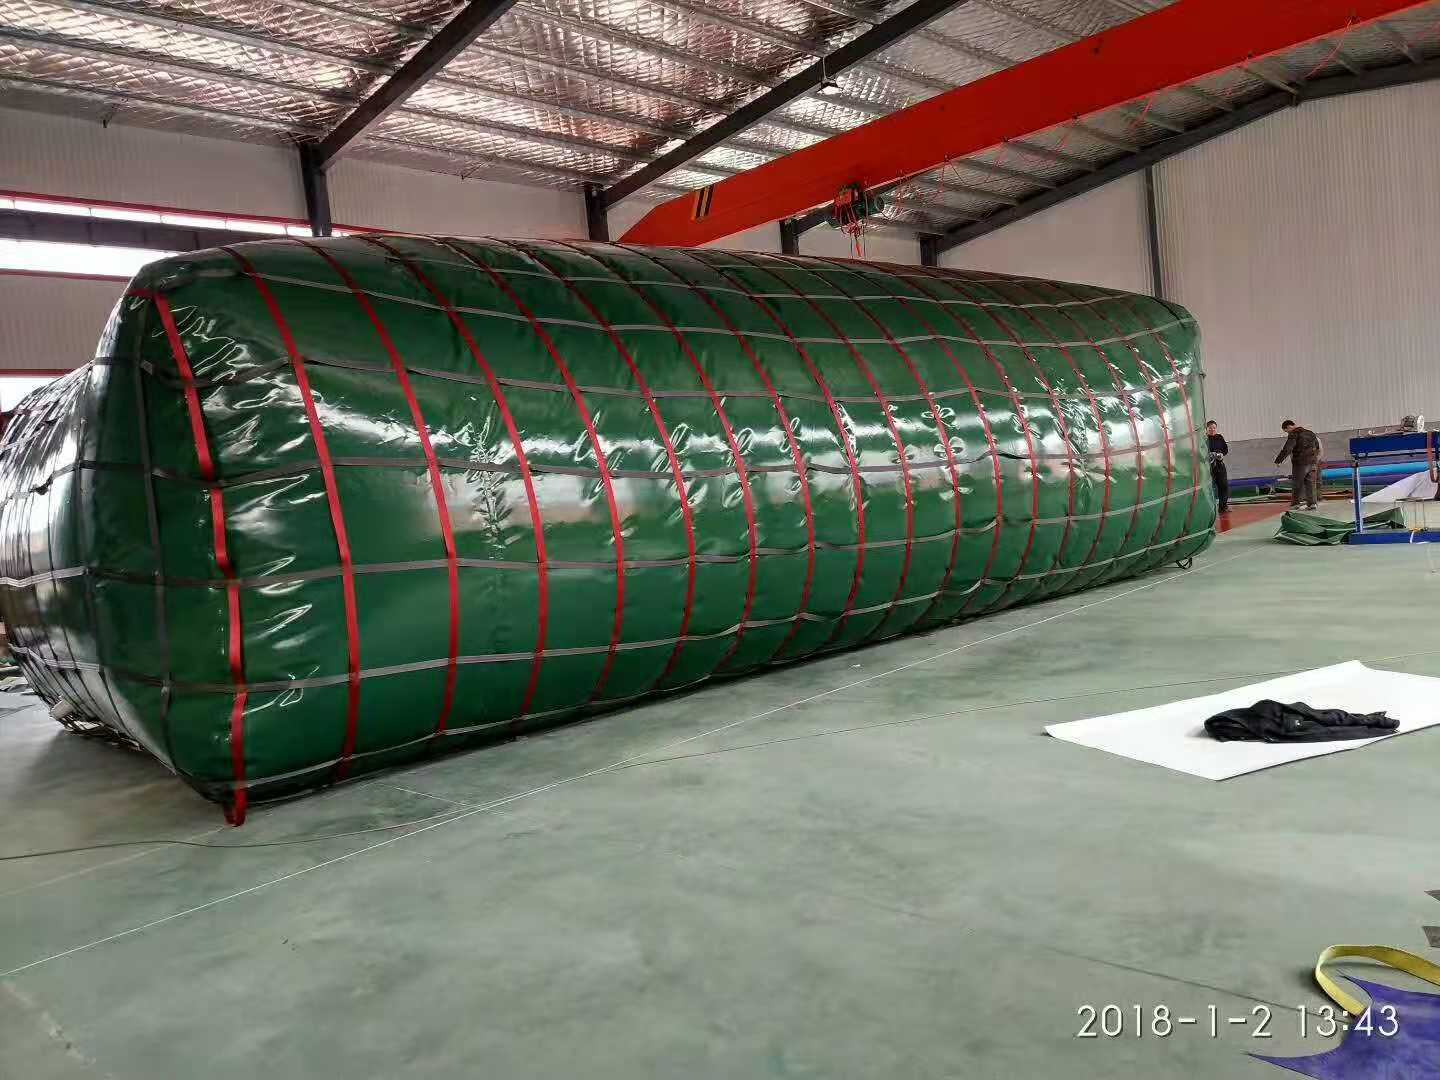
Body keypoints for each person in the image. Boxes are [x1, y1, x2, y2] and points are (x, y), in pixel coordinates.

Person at [1274, 419, 1323, 511]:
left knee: (1297, 483)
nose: (1287, 433)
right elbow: (1317, 447)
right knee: (1311, 484)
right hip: (1312, 462)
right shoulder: (1310, 433)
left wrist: (1279, 460)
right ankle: (1312, 504)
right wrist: (1314, 459)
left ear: (1289, 427)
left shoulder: (1294, 434)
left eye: (1286, 431)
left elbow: (1287, 448)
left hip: (1300, 463)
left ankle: (1295, 504)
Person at [1206, 420, 1230, 513]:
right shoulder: (1204, 439)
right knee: (1210, 487)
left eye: (1214, 428)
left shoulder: (1219, 437)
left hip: (1219, 464)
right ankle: (1210, 508)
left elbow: (1225, 449)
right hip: (1209, 466)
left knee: (1223, 485)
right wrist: (1210, 455)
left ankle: (1223, 506)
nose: (1212, 429)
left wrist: (1221, 454)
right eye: (1210, 428)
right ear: (1207, 429)